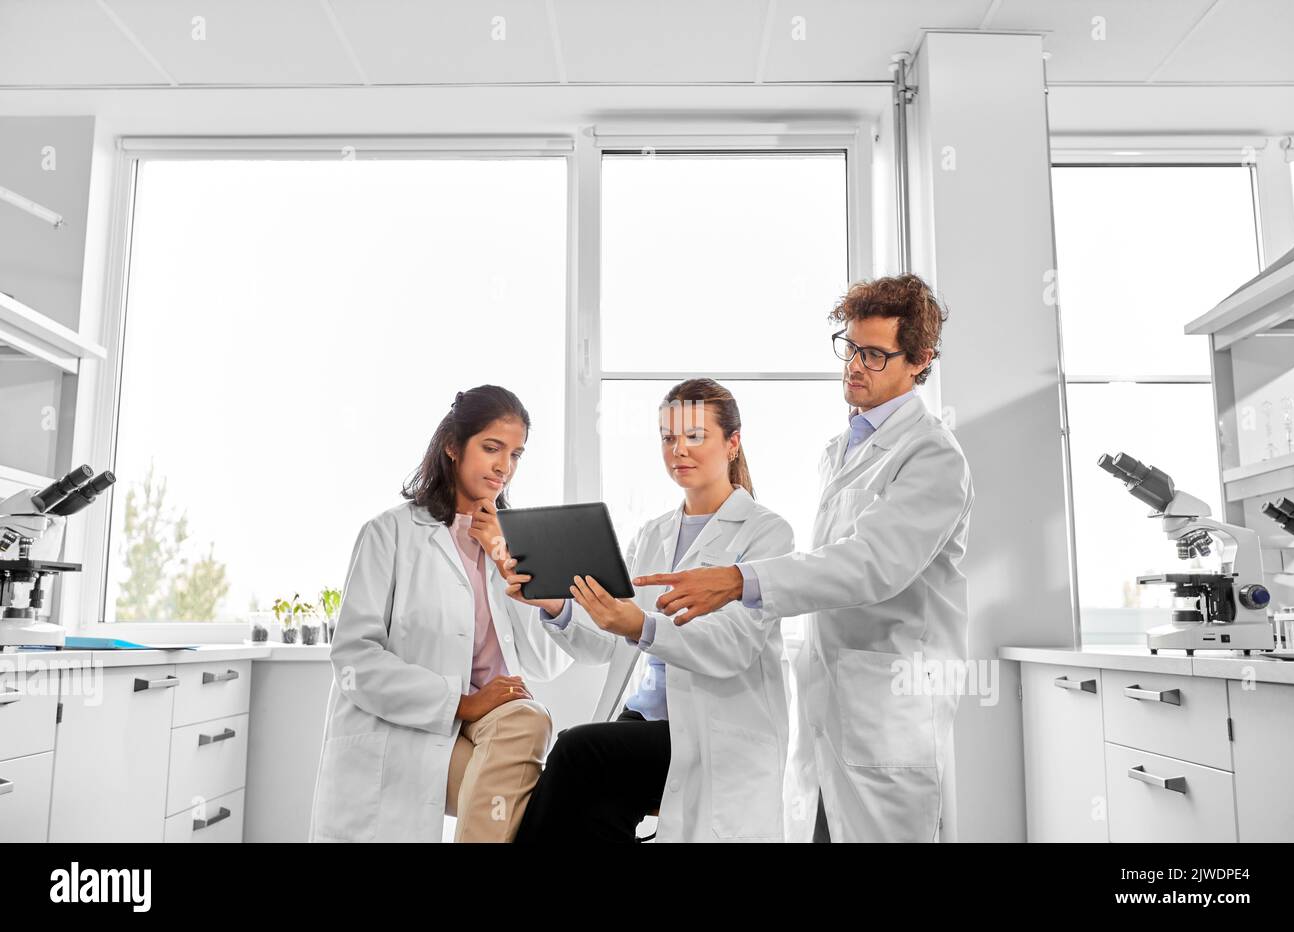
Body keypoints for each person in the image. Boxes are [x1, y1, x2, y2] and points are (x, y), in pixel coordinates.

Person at [635, 275, 974, 843]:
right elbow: (829, 569)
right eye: (849, 347)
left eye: (874, 354)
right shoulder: (840, 451)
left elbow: (872, 565)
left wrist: (742, 580)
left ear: (920, 361)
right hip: (829, 701)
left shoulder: (932, 454)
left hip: (888, 707)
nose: (855, 365)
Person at [506, 378, 795, 842]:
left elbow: (733, 648)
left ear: (733, 443)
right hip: (645, 721)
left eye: (695, 435)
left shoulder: (766, 533)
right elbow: (610, 643)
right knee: (588, 812)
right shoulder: (653, 534)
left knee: (578, 752)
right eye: (668, 437)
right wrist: (558, 606)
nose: (679, 449)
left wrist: (642, 625)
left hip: (711, 731)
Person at [308, 385, 570, 842]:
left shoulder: (514, 543)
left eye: (515, 455)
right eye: (492, 448)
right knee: (524, 806)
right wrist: (461, 702)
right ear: (453, 445)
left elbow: (549, 660)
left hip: (492, 722)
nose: (503, 468)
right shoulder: (389, 533)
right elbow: (354, 656)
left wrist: (511, 562)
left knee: (532, 720)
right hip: (409, 723)